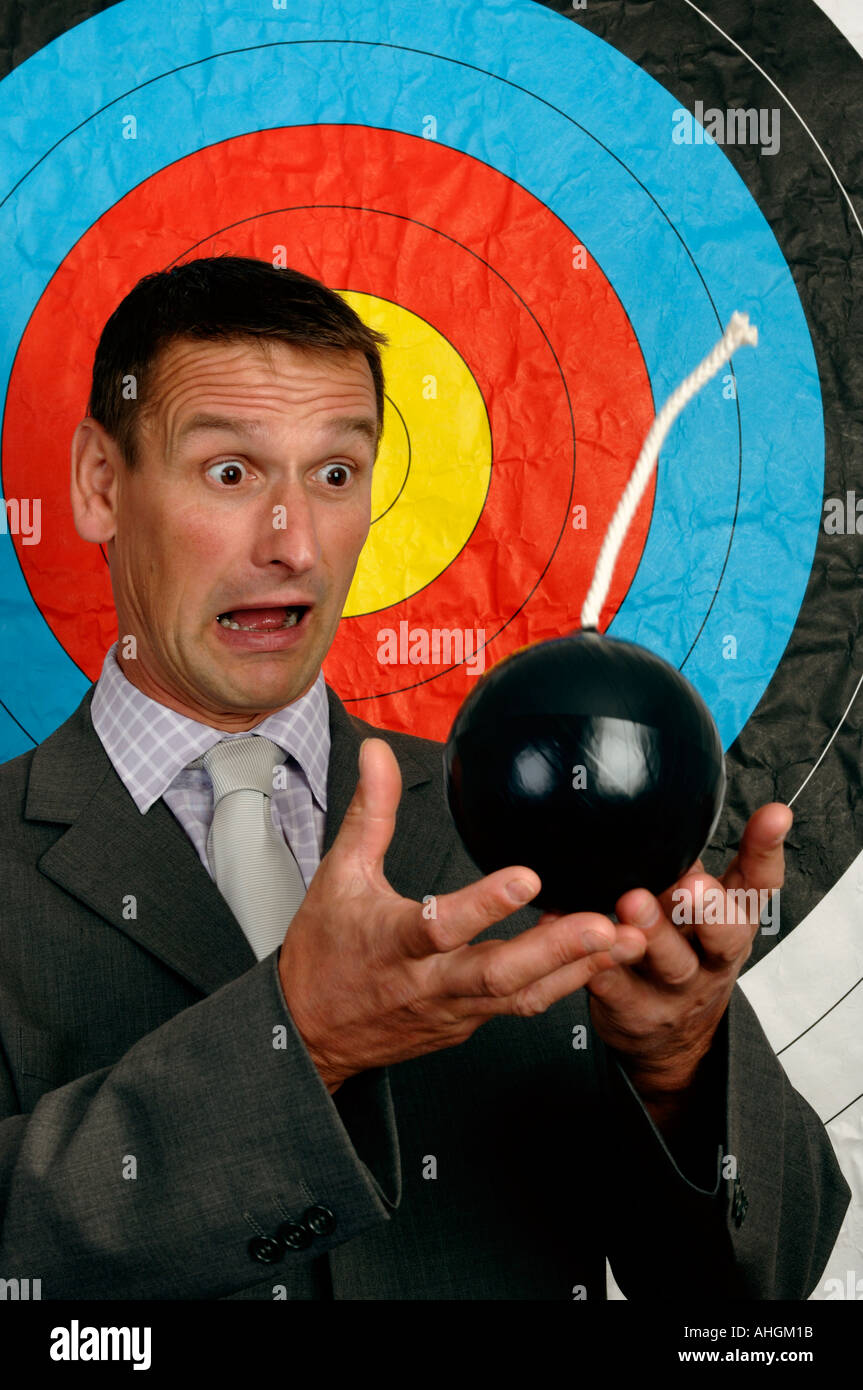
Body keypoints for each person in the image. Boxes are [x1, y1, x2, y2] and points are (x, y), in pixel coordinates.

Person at [0, 256, 849, 1300]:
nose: (293, 544)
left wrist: (680, 1066)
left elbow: (750, 1301)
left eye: (335, 474)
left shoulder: (522, 820)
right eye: (230, 473)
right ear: (99, 483)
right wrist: (300, 1044)